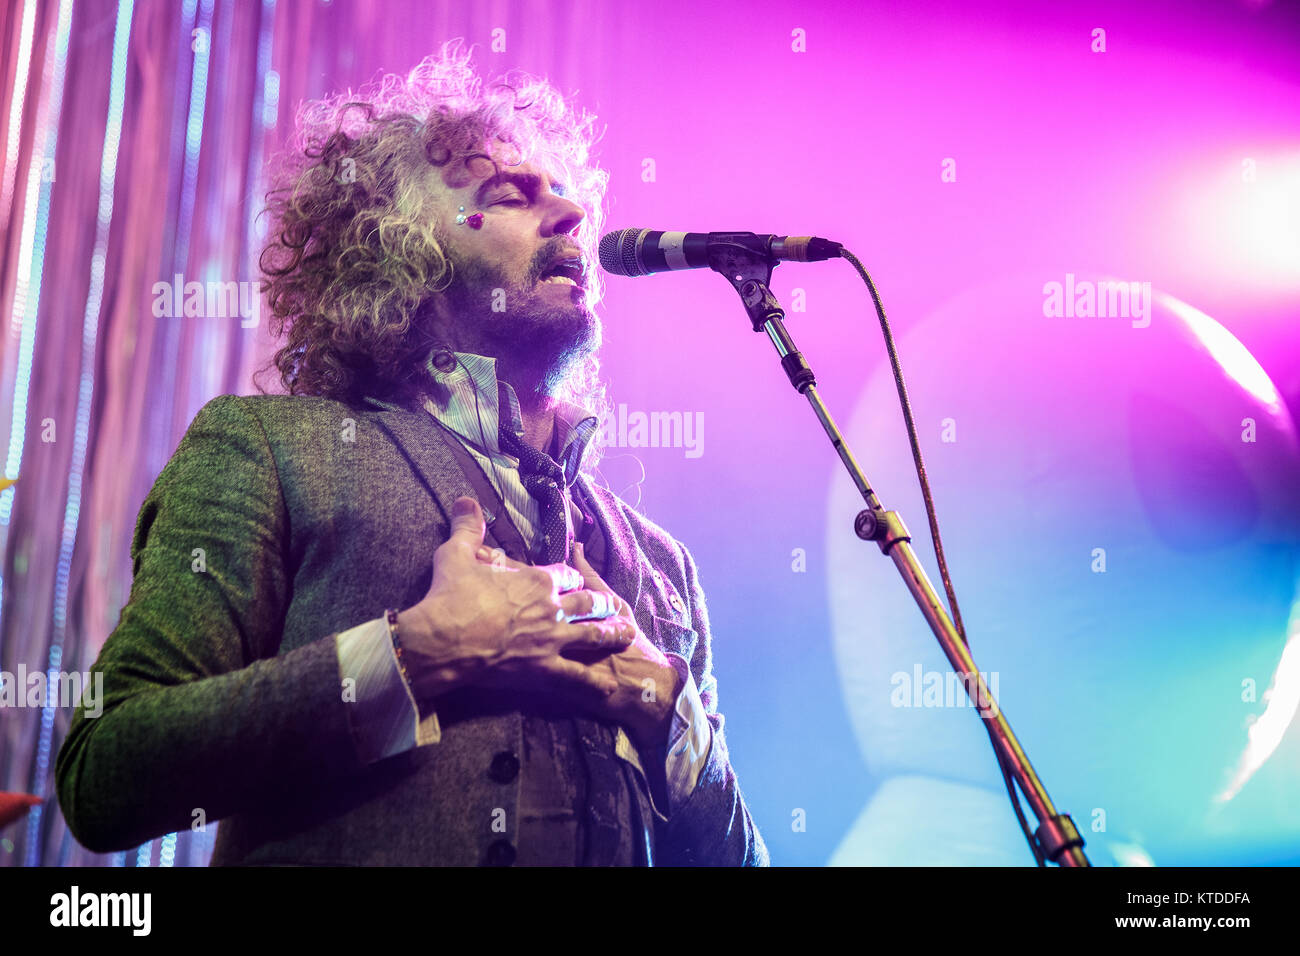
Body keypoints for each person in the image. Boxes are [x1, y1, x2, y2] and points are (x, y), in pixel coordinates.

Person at [55, 41, 768, 866]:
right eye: (509, 196)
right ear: (400, 247)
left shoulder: (662, 564)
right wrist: (416, 656)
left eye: (570, 194)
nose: (571, 215)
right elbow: (103, 777)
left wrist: (661, 703)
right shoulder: (272, 450)